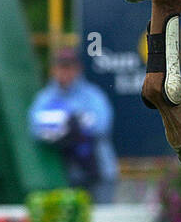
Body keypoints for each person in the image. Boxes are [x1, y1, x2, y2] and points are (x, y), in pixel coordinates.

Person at [28, 47, 119, 204]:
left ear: (78, 69)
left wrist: (64, 124)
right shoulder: (45, 98)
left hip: (98, 172)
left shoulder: (92, 95)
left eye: (69, 67)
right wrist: (71, 124)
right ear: (53, 69)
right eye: (61, 66)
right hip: (64, 173)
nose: (65, 72)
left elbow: (101, 125)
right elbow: (35, 129)